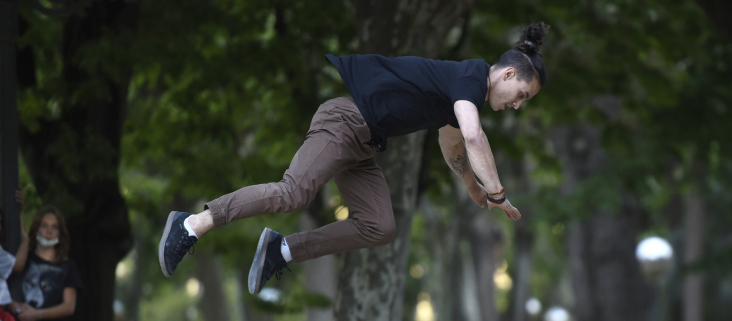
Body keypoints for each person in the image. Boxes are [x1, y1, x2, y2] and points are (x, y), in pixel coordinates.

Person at [160, 23, 550, 294]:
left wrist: (473, 188)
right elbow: (472, 136)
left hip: (364, 144)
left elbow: (453, 144)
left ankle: (281, 250)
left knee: (380, 227)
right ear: (508, 73)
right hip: (345, 122)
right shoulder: (470, 78)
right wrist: (498, 193)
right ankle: (193, 224)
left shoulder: (462, 94)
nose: (517, 105)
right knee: (292, 194)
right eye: (521, 95)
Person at [10, 206, 82, 321]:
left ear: (61, 232)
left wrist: (38, 314)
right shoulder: (23, 261)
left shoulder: (68, 265)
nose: (49, 232)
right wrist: (19, 310)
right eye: (44, 226)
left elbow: (69, 306)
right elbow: (2, 293)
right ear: (36, 229)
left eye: (54, 227)